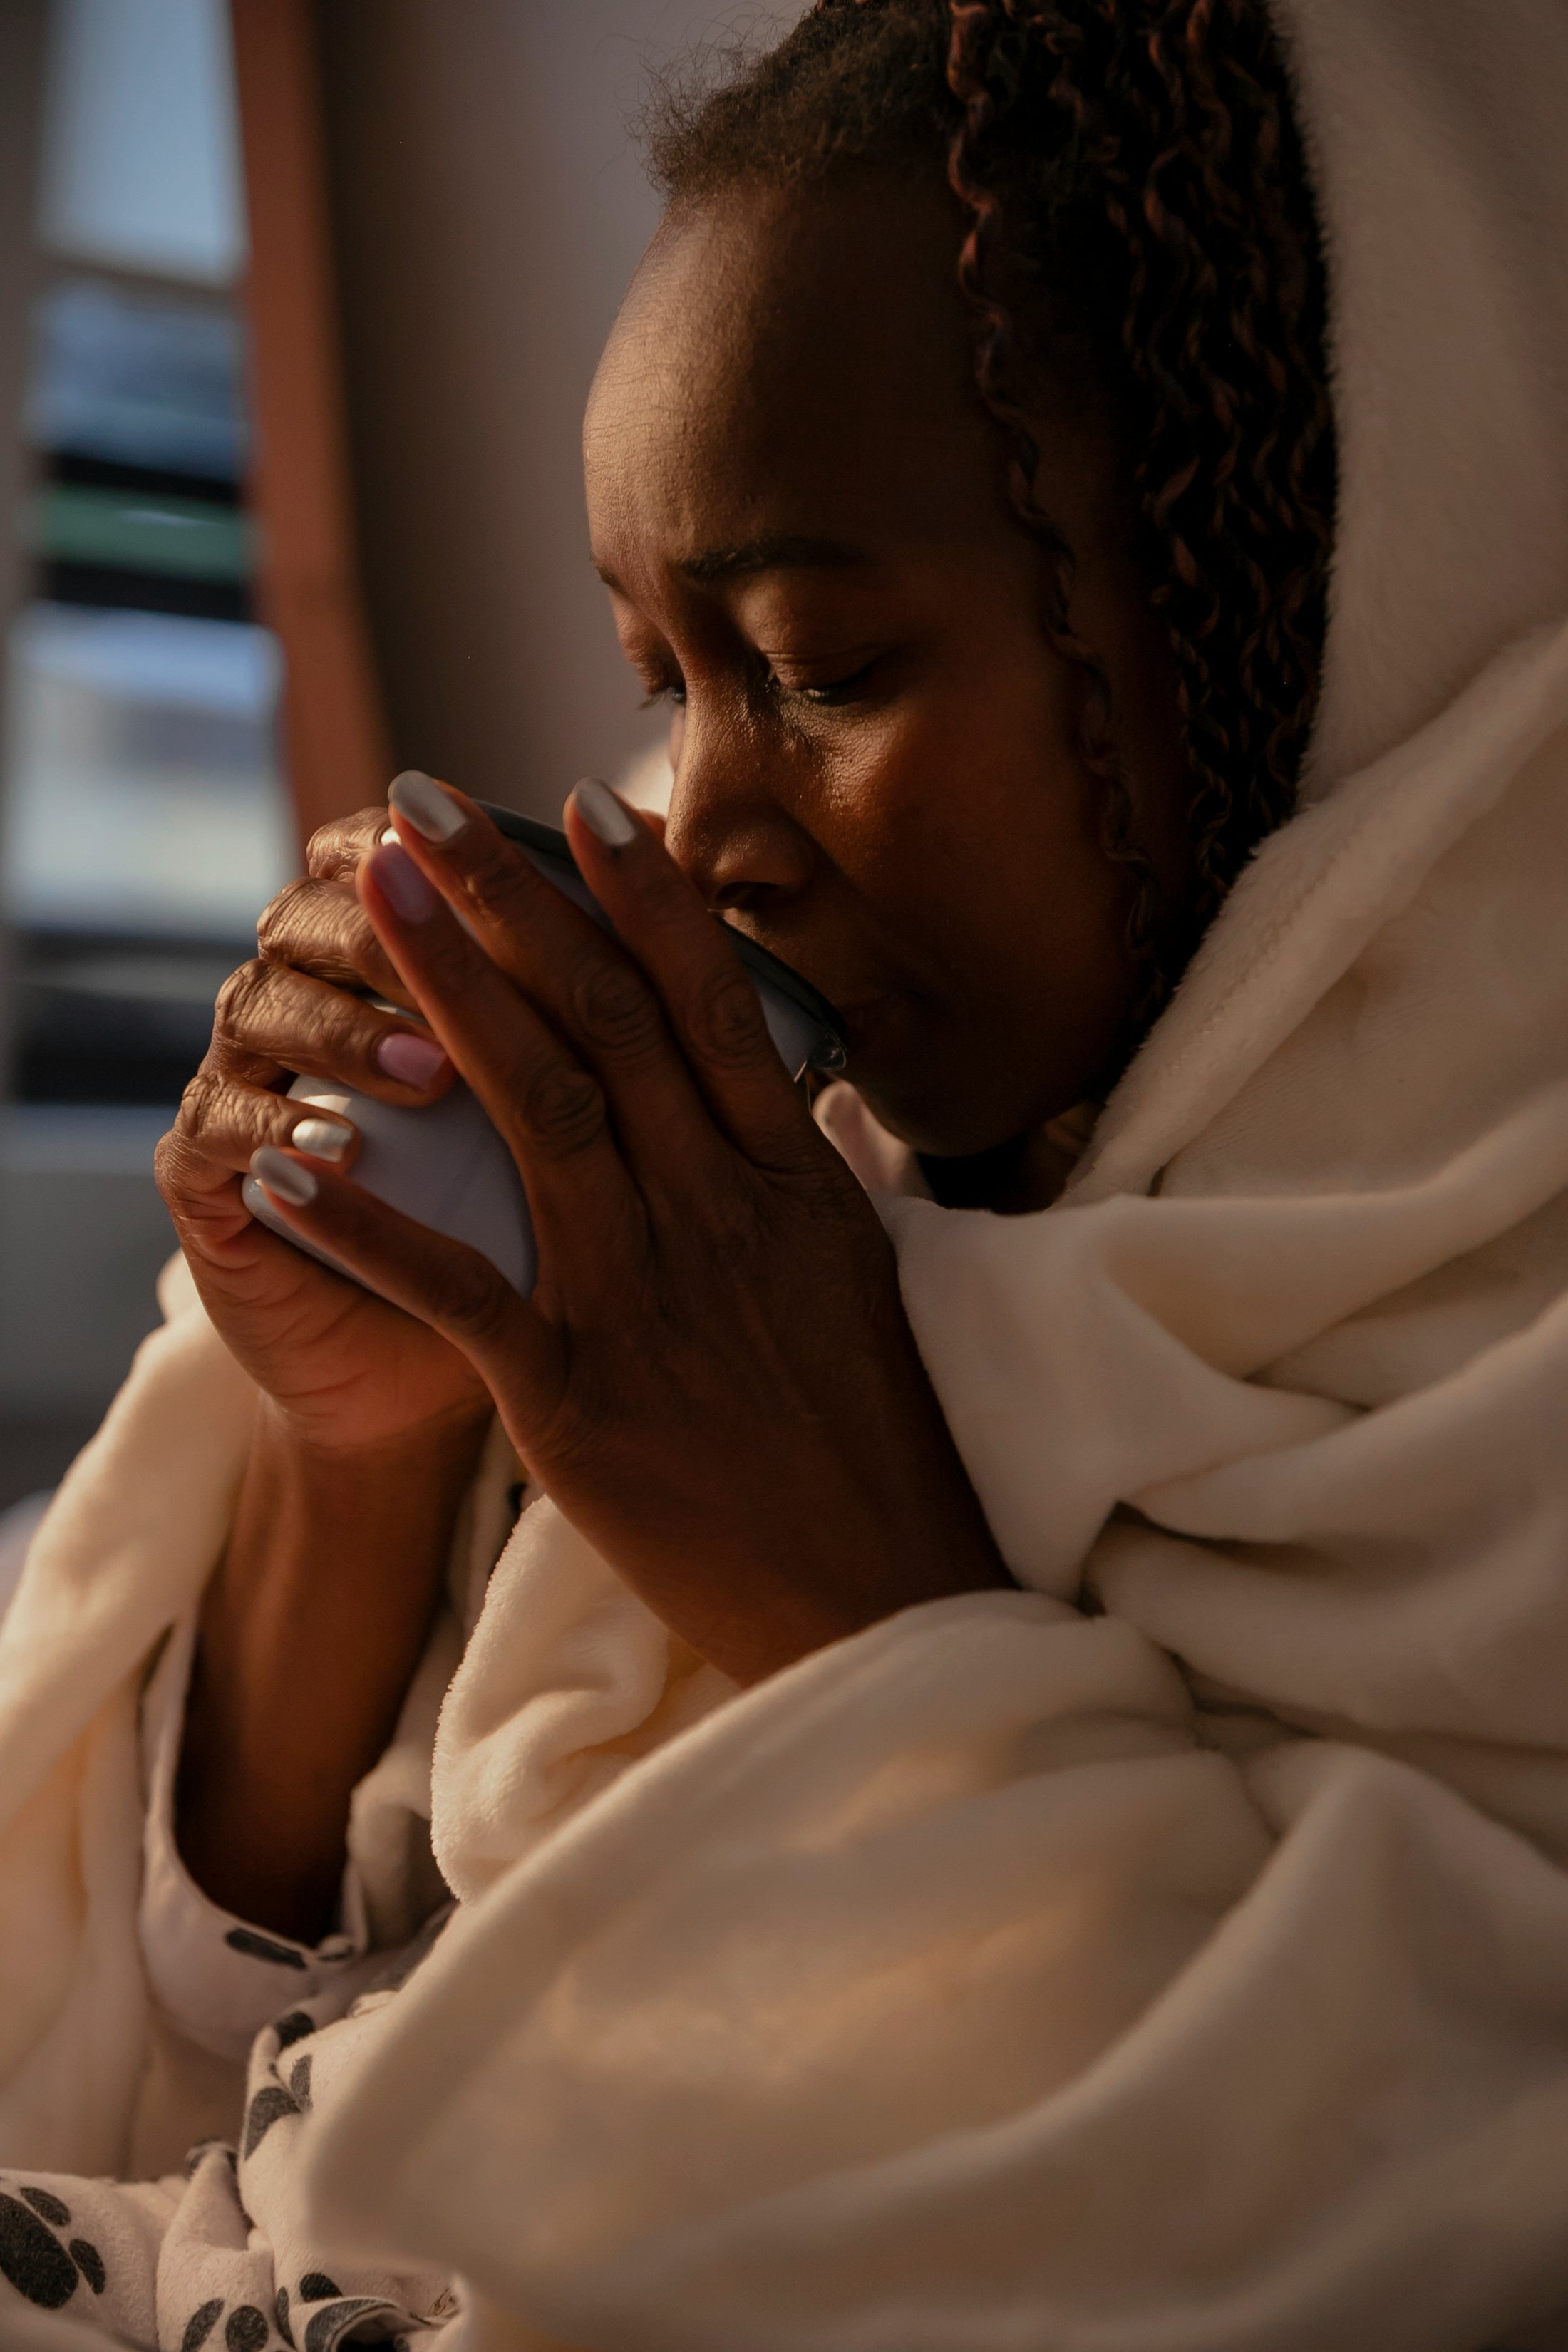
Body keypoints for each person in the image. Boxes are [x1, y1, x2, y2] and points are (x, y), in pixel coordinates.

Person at [1, 0, 1567, 2345]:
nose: (698, 824)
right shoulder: (755, 1194)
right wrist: (358, 1457)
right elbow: (201, 2073)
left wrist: (852, 1587)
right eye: (664, 670)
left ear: (1297, 586)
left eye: (818, 666)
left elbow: (1377, 2210)